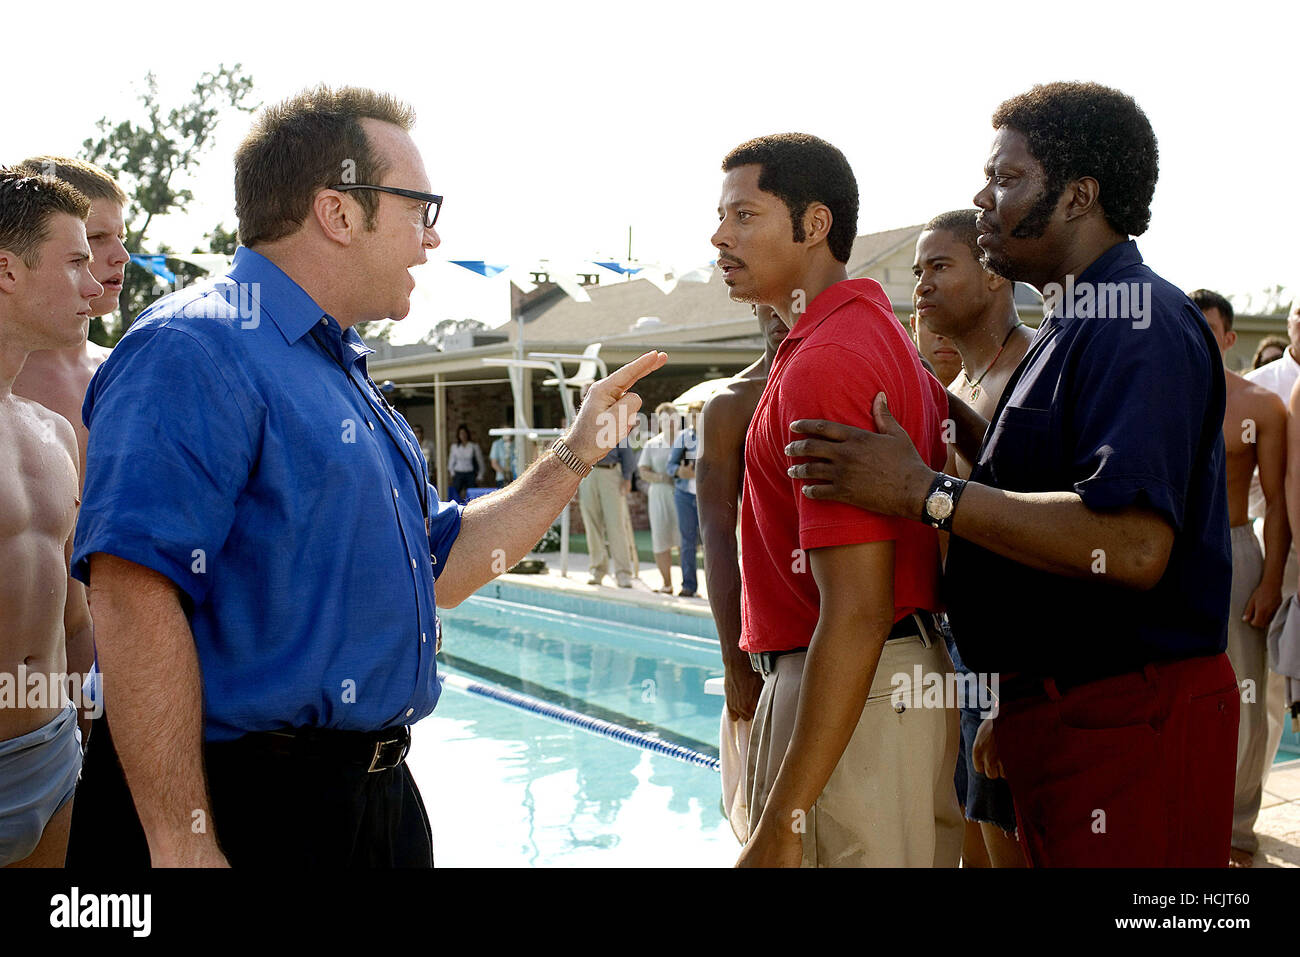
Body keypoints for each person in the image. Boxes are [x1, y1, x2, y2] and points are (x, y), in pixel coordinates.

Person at [65, 85, 666, 868]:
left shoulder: (340, 370)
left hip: (372, 805)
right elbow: (131, 587)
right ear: (339, 213)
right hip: (250, 807)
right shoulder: (196, 346)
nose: (433, 237)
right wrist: (183, 838)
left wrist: (575, 454)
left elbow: (442, 565)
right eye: (420, 207)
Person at [785, 82, 1238, 867]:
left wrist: (923, 492)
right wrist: (1022, 696)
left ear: (1078, 197)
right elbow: (1043, 487)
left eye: (1006, 178)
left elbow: (1132, 544)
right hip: (1063, 705)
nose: (981, 197)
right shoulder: (1071, 326)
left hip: (1132, 717)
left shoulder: (1137, 326)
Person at [713, 133, 961, 868]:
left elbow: (854, 609)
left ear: (814, 225)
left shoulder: (829, 359)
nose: (719, 235)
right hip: (889, 689)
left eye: (744, 215)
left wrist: (782, 820)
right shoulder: (870, 336)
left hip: (854, 696)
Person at [913, 209, 1029, 867]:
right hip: (960, 645)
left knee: (1014, 836)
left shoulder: (1037, 373)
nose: (922, 284)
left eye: (939, 265)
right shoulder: (956, 391)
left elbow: (1045, 538)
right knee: (972, 841)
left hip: (1016, 658)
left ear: (991, 274)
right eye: (917, 270)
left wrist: (1011, 692)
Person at [0, 168, 98, 866]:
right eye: (75, 263)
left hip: (54, 755)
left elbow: (74, 613)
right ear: (7, 269)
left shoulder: (51, 432)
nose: (93, 287)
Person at [1192, 288, 1288, 868]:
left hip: (1233, 547)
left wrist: (1271, 580)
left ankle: (1237, 832)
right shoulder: (1157, 396)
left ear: (1230, 338)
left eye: (1210, 330)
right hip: (1170, 554)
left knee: (1247, 695)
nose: (1200, 340)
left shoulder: (1259, 406)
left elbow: (1276, 502)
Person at [697, 303, 786, 839]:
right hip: (772, 650)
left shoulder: (855, 374)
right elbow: (716, 538)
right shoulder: (731, 405)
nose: (780, 311)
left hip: (864, 637)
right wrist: (735, 660)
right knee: (768, 827)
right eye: (767, 302)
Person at [578, 430, 639, 589]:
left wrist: (627, 477)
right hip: (586, 474)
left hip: (611, 473)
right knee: (591, 525)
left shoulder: (615, 425)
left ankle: (623, 573)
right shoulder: (583, 422)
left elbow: (626, 452)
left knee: (616, 525)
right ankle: (597, 570)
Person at [637, 402, 681, 594]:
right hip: (660, 495)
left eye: (672, 419)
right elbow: (643, 471)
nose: (669, 423)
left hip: (683, 494)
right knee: (661, 537)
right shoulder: (652, 444)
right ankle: (667, 583)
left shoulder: (689, 440)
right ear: (660, 422)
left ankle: (688, 584)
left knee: (684, 540)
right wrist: (662, 477)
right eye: (665, 420)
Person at [666, 410, 702, 598]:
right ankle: (689, 586)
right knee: (687, 542)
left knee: (711, 542)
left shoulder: (714, 432)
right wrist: (681, 471)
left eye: (698, 415)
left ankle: (718, 589)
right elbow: (670, 466)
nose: (695, 420)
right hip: (685, 496)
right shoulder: (683, 437)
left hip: (707, 496)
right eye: (692, 416)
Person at [448, 423, 484, 501]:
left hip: (470, 474)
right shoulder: (454, 447)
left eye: (464, 433)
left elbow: (480, 462)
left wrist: (480, 475)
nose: (463, 435)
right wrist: (452, 474)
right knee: (455, 495)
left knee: (472, 496)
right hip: (458, 473)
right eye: (461, 433)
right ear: (458, 435)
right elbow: (451, 462)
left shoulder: (473, 446)